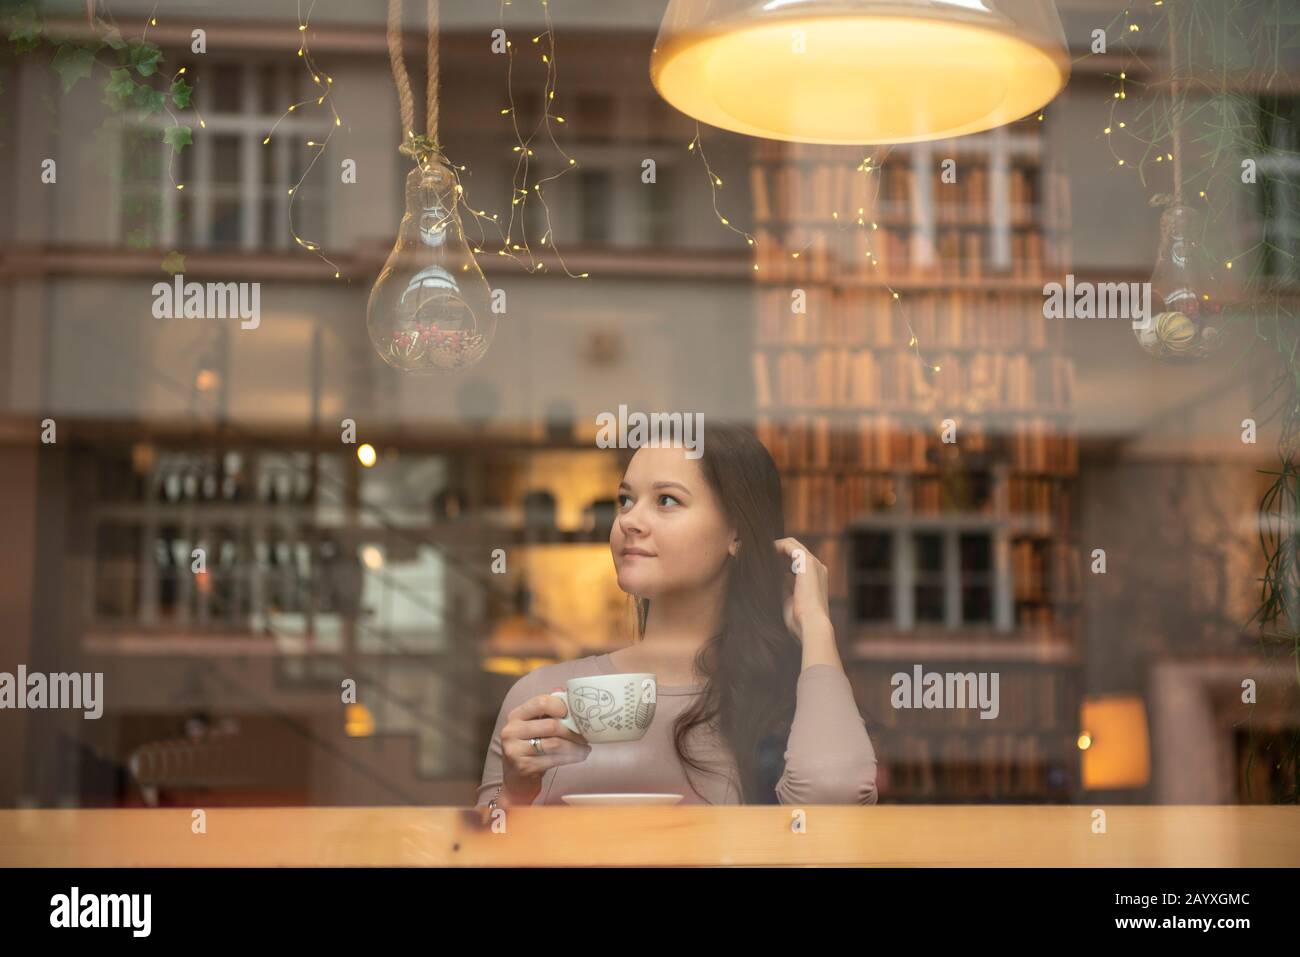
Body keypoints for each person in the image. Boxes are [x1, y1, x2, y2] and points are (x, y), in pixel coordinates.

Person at [476, 421, 878, 806]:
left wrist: (816, 625)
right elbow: (483, 845)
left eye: (666, 500)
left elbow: (835, 795)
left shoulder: (790, 702)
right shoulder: (542, 699)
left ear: (736, 532)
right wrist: (514, 792)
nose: (629, 520)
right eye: (625, 500)